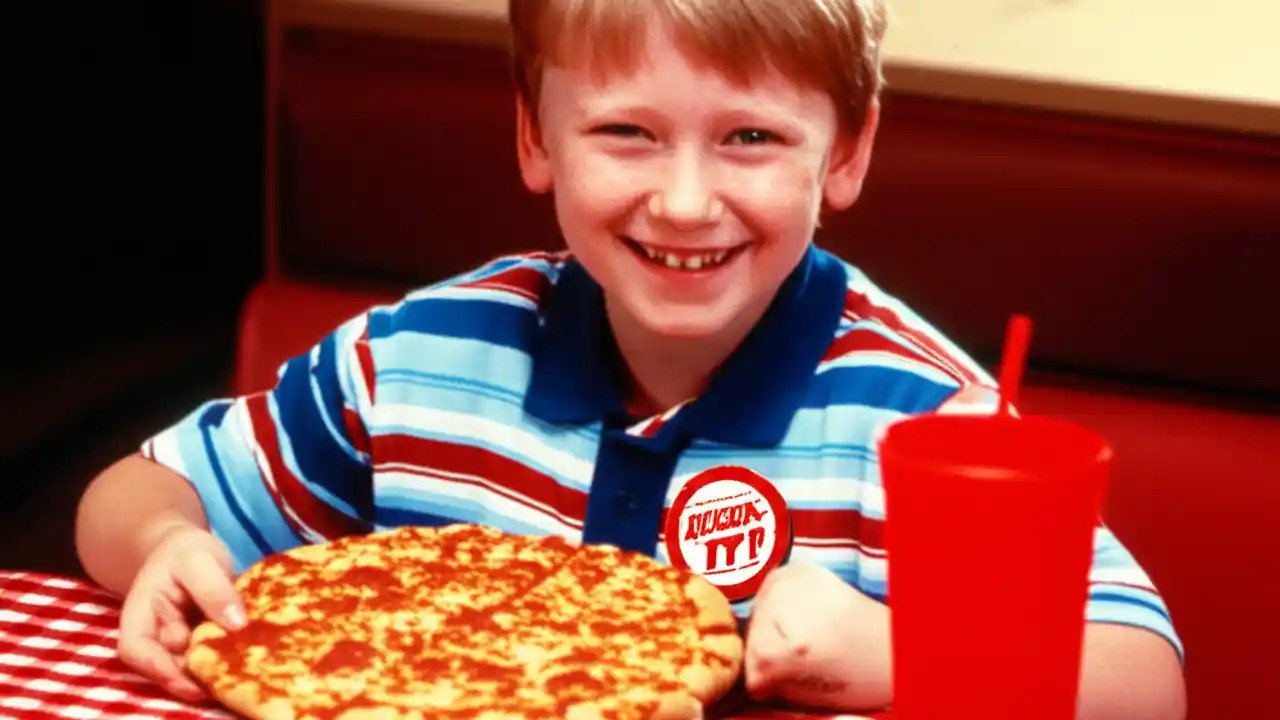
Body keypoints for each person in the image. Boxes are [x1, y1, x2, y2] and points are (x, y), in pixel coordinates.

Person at [74, 1, 1186, 716]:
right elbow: (129, 492)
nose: (688, 200)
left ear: (844, 152)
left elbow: (1146, 683)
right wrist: (168, 544)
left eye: (750, 137)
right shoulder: (418, 357)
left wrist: (894, 654)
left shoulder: (924, 418)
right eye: (626, 132)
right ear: (532, 137)